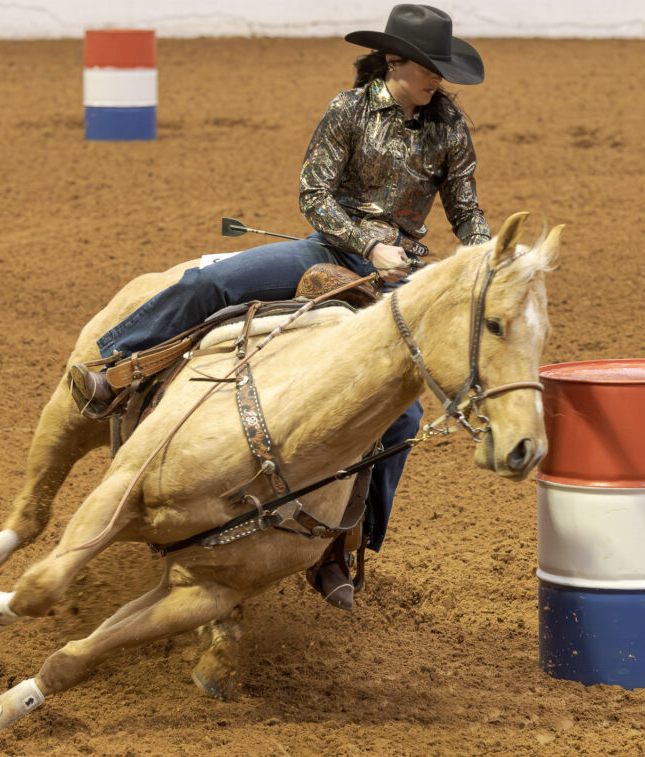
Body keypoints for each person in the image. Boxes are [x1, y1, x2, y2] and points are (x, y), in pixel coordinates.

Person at [69, 4, 491, 610]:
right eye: (431, 68)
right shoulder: (348, 110)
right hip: (331, 249)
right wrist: (368, 243)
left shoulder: (448, 126)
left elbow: (466, 208)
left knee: (399, 420)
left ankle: (342, 546)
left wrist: (484, 258)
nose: (438, 80)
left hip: (400, 273)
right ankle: (117, 366)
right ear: (395, 61)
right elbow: (315, 193)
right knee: (211, 284)